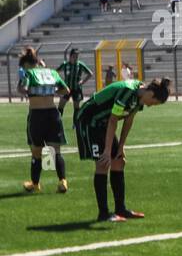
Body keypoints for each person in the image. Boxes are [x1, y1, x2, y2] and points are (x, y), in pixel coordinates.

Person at [74, 76, 171, 221]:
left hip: (104, 123)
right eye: (153, 103)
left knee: (119, 161)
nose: (150, 105)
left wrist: (121, 146)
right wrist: (107, 151)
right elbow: (114, 119)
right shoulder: (127, 91)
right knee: (103, 163)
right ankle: (104, 214)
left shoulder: (139, 97)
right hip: (90, 121)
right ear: (150, 94)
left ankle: (121, 209)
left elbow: (128, 120)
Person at [16, 48, 70, 193]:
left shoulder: (29, 73)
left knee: (36, 151)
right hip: (53, 114)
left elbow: (24, 89)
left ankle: (35, 184)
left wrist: (21, 80)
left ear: (26, 64)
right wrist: (51, 92)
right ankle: (62, 181)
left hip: (37, 115)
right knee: (55, 151)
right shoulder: (52, 72)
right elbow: (66, 91)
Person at [57, 48, 94, 118]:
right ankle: (58, 122)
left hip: (77, 89)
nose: (76, 58)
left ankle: (76, 124)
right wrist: (60, 83)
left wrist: (83, 81)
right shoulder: (65, 64)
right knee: (61, 105)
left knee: (76, 107)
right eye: (74, 56)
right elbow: (55, 73)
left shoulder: (80, 65)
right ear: (70, 56)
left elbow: (90, 73)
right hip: (66, 88)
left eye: (77, 56)